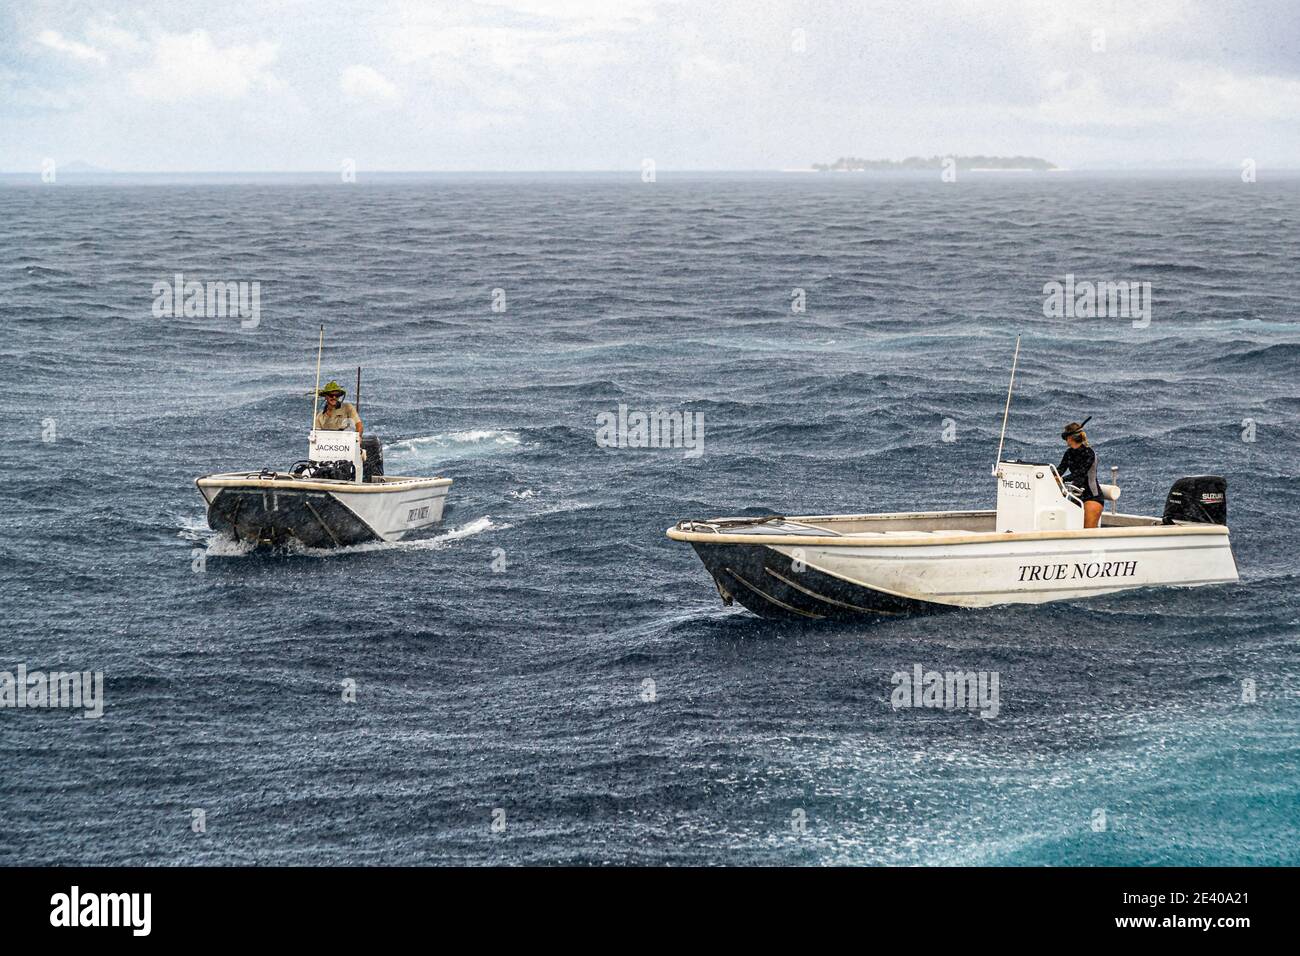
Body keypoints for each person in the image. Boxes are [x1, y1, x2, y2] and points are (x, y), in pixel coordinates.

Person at [1058, 419, 1103, 529]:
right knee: (1073, 530)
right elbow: (1060, 469)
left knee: (1088, 533)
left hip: (1092, 497)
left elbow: (1081, 473)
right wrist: (1052, 476)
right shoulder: (1069, 453)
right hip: (1076, 496)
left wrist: (1062, 479)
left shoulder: (1089, 453)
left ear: (1070, 438)